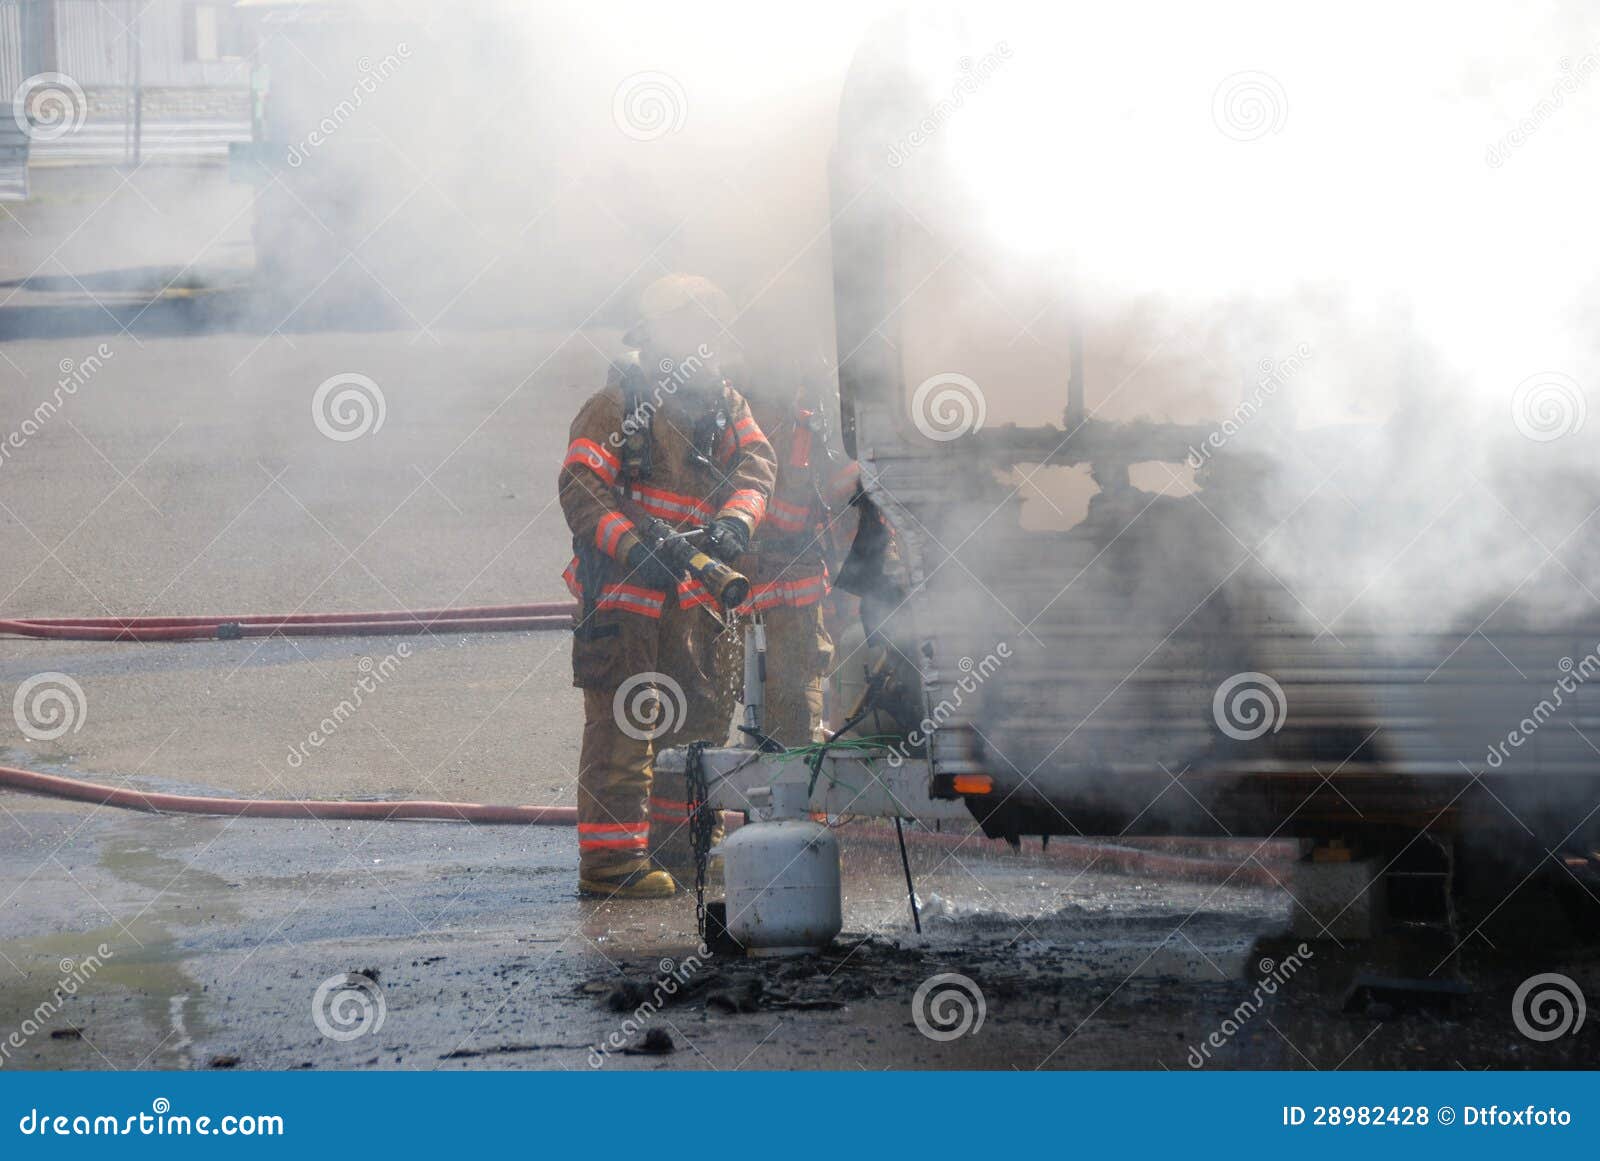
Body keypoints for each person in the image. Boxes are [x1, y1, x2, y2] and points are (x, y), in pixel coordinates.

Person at [557, 275, 776, 898]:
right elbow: (581, 487)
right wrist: (633, 547)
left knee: (695, 724)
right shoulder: (615, 407)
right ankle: (611, 865)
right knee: (627, 727)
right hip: (625, 599)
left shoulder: (726, 406)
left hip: (692, 602)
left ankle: (681, 849)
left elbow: (758, 467)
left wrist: (735, 522)